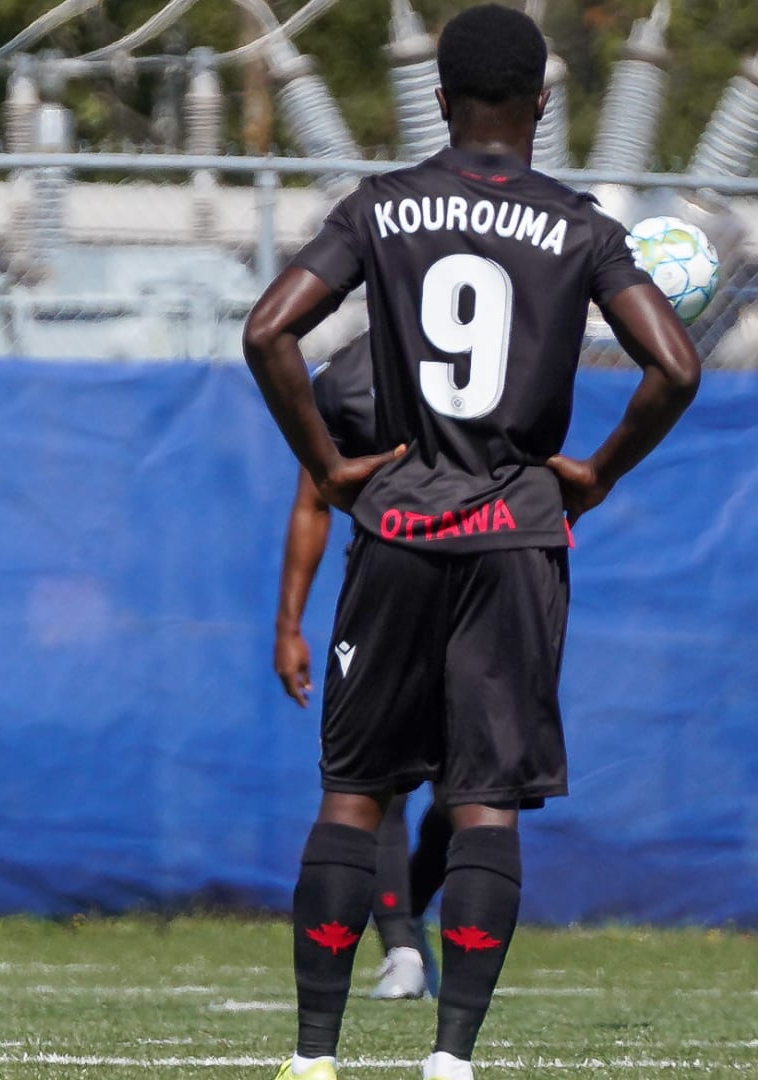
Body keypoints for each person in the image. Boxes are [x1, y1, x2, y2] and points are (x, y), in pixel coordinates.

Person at [241, 6, 700, 1080]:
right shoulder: (580, 226)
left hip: (398, 526)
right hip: (515, 538)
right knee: (486, 801)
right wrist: (598, 472)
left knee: (355, 792)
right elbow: (676, 367)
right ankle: (451, 1060)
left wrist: (331, 467)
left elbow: (268, 331)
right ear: (543, 101)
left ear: (440, 99)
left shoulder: (380, 207)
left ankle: (313, 1059)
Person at [273, 335, 450, 1002]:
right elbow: (313, 499)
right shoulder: (344, 376)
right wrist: (289, 625)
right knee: (380, 779)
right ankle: (400, 945)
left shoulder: (494, 354)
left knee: (468, 790)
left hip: (484, 589)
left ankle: (411, 909)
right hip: (384, 594)